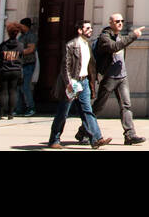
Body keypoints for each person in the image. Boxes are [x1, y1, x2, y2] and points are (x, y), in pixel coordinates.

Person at [76, 14, 146, 146]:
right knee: (98, 106)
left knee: (126, 105)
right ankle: (83, 131)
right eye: (117, 21)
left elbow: (120, 46)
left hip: (122, 77)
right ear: (110, 22)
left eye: (122, 21)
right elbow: (115, 47)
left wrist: (129, 37)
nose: (120, 23)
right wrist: (133, 36)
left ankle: (130, 134)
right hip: (109, 77)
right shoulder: (104, 37)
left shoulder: (120, 37)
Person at [45, 20, 110, 149]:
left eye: (91, 28)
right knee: (63, 112)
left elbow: (90, 66)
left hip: (84, 82)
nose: (90, 30)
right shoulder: (71, 45)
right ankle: (54, 139)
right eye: (87, 28)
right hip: (73, 82)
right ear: (80, 30)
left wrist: (92, 81)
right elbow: (65, 66)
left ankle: (96, 139)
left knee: (87, 111)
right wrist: (69, 83)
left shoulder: (88, 45)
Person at [0, 23, 24, 120]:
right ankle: (10, 114)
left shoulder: (3, 45)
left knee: (3, 92)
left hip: (4, 70)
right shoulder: (20, 45)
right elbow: (21, 55)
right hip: (16, 70)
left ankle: (0, 114)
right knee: (13, 91)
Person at [17, 17, 38, 117]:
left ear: (25, 26)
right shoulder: (21, 37)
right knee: (19, 87)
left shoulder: (31, 36)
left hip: (29, 64)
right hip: (21, 64)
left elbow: (31, 49)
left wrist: (18, 52)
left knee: (26, 87)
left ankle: (31, 108)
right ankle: (19, 108)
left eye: (21, 26)